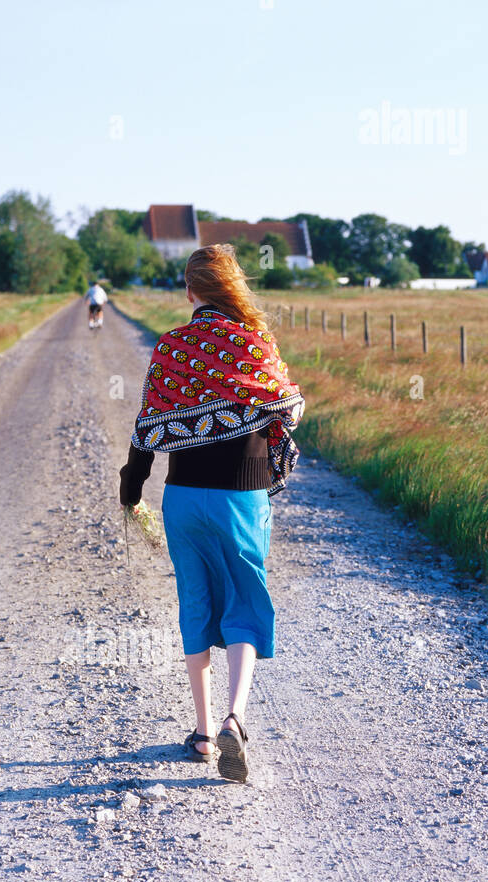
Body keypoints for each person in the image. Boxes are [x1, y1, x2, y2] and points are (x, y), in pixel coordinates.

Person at [120, 244, 304, 783]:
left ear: (191, 291)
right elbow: (287, 407)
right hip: (240, 497)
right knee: (246, 601)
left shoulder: (172, 345)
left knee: (196, 604)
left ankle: (202, 734)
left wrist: (132, 491)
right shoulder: (254, 343)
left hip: (182, 497)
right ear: (234, 287)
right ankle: (234, 718)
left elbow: (147, 424)